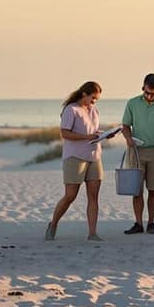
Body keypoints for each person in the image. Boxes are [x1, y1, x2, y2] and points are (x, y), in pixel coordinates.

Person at [46, 81, 113, 242]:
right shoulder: (71, 110)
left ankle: (92, 233)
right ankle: (53, 224)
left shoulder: (93, 110)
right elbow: (65, 133)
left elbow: (92, 131)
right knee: (70, 195)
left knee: (93, 196)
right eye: (93, 98)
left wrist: (104, 135)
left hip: (94, 156)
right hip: (75, 157)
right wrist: (86, 137)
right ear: (84, 94)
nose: (94, 101)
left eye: (96, 99)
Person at [118, 73, 154, 235]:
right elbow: (125, 125)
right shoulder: (132, 103)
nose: (149, 95)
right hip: (136, 151)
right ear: (143, 87)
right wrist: (128, 138)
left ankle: (151, 223)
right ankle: (138, 223)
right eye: (146, 92)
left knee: (153, 189)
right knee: (136, 190)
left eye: (153, 93)